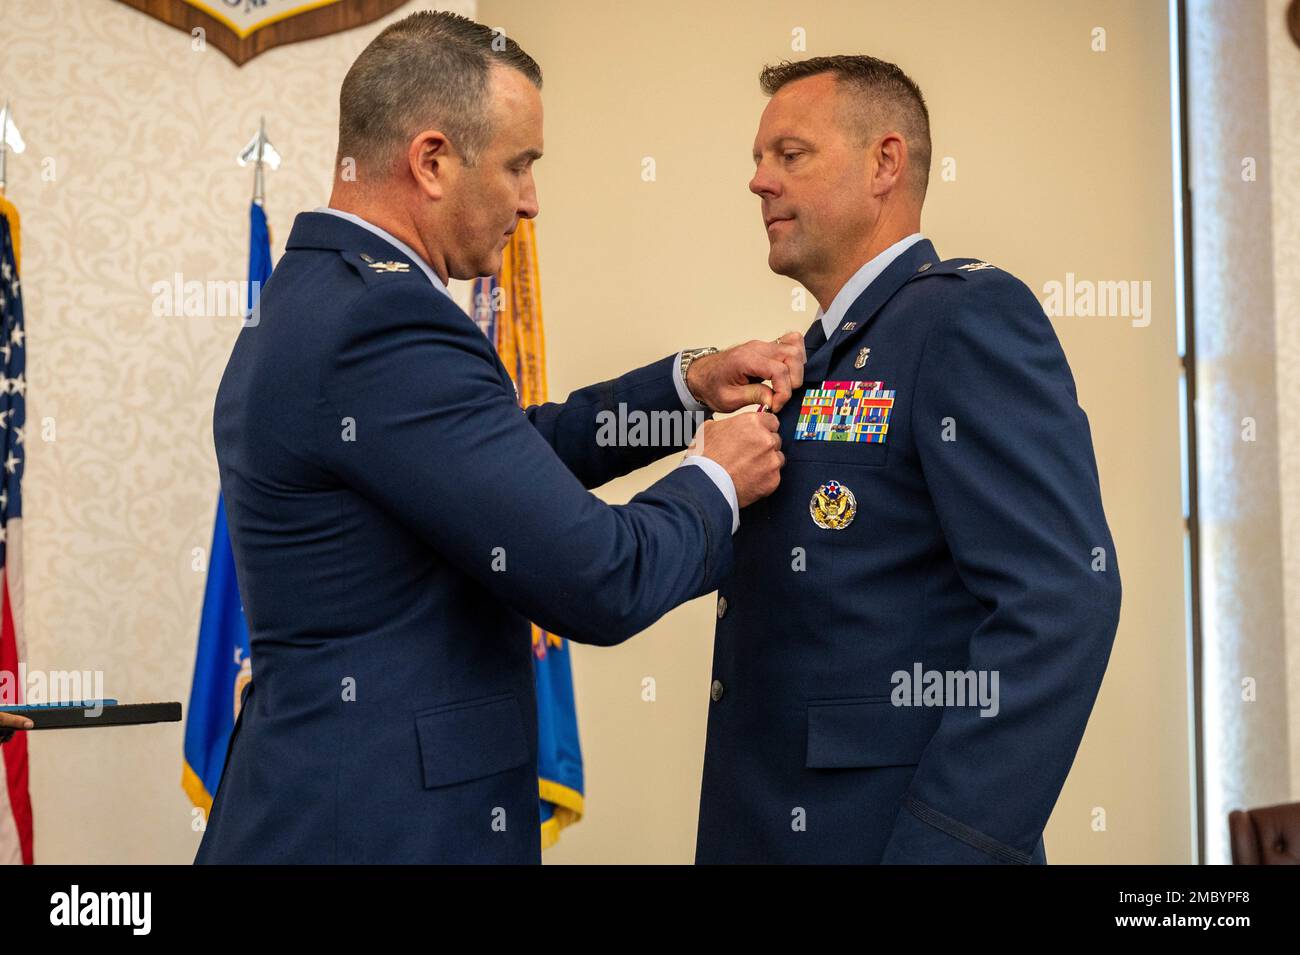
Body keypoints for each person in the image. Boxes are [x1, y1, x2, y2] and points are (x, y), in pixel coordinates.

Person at [196, 12, 802, 864]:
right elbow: (600, 577)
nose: (531, 200)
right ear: (432, 161)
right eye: (520, 164)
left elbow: (496, 456)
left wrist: (685, 387)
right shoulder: (383, 318)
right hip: (380, 828)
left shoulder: (322, 294)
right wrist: (716, 481)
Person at [695, 55, 1122, 864]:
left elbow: (1062, 600)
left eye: (790, 154)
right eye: (757, 159)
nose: (758, 180)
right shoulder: (822, 356)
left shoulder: (964, 317)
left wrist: (947, 848)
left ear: (884, 163)